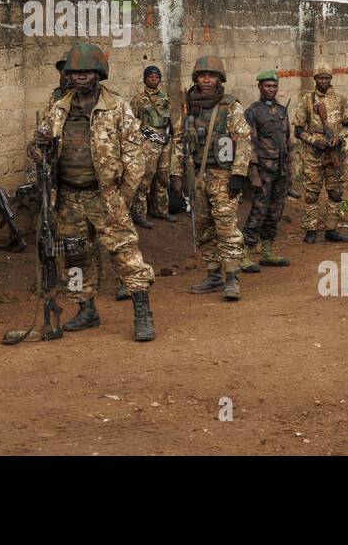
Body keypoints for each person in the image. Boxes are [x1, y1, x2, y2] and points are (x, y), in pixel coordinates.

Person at [29, 42, 155, 340]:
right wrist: (38, 145)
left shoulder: (117, 107)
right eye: (75, 73)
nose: (81, 77)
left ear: (98, 73)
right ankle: (85, 309)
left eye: (87, 72)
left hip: (105, 196)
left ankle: (142, 312)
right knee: (74, 257)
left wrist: (123, 196)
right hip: (69, 197)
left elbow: (136, 155)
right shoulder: (58, 108)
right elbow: (38, 152)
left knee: (125, 253)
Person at [171, 55, 253, 302]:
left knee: (226, 229)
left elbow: (244, 142)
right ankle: (213, 274)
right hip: (197, 177)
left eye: (212, 75)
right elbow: (178, 141)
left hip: (224, 177)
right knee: (204, 229)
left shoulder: (230, 107)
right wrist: (176, 173)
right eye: (202, 75)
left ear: (220, 79)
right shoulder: (189, 107)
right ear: (196, 78)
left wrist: (239, 174)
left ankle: (232, 279)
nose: (206, 80)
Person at [240, 70, 293, 272]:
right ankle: (245, 253)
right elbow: (249, 144)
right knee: (258, 212)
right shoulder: (253, 112)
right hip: (263, 171)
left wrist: (291, 170)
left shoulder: (281, 111)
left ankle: (267, 251)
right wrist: (253, 172)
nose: (271, 89)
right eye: (267, 86)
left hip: (280, 170)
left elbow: (288, 142)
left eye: (274, 86)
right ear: (260, 87)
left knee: (275, 211)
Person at [293, 65, 348, 243]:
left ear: (331, 79)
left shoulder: (341, 99)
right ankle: (311, 229)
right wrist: (313, 140)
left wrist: (339, 137)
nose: (323, 81)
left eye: (326, 78)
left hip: (334, 154)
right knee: (312, 193)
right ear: (315, 79)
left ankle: (331, 229)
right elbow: (297, 130)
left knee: (335, 192)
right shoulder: (307, 100)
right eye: (320, 78)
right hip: (314, 155)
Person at [128, 64, 173, 228]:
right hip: (147, 142)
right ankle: (139, 214)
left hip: (165, 141)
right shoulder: (138, 99)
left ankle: (160, 210)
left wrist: (170, 133)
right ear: (145, 79)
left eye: (156, 76)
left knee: (163, 177)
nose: (154, 79)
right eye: (150, 76)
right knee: (145, 178)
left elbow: (168, 118)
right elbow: (131, 121)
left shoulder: (164, 97)